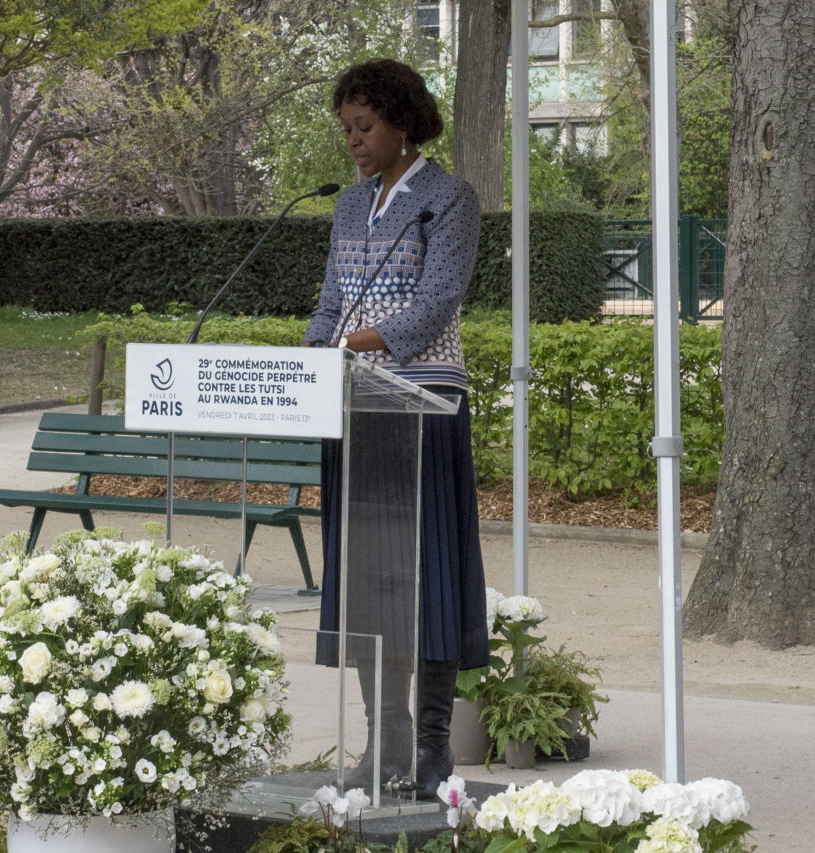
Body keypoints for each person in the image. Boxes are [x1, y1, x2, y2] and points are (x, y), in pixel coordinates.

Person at [301, 58, 489, 799]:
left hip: (426, 404)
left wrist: (348, 345)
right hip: (354, 407)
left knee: (429, 577)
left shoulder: (449, 199)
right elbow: (331, 301)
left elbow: (435, 304)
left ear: (403, 122)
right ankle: (387, 741)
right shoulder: (349, 207)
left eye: (365, 126)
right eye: (346, 128)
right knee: (368, 581)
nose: (353, 140)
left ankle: (435, 748)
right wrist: (314, 353)